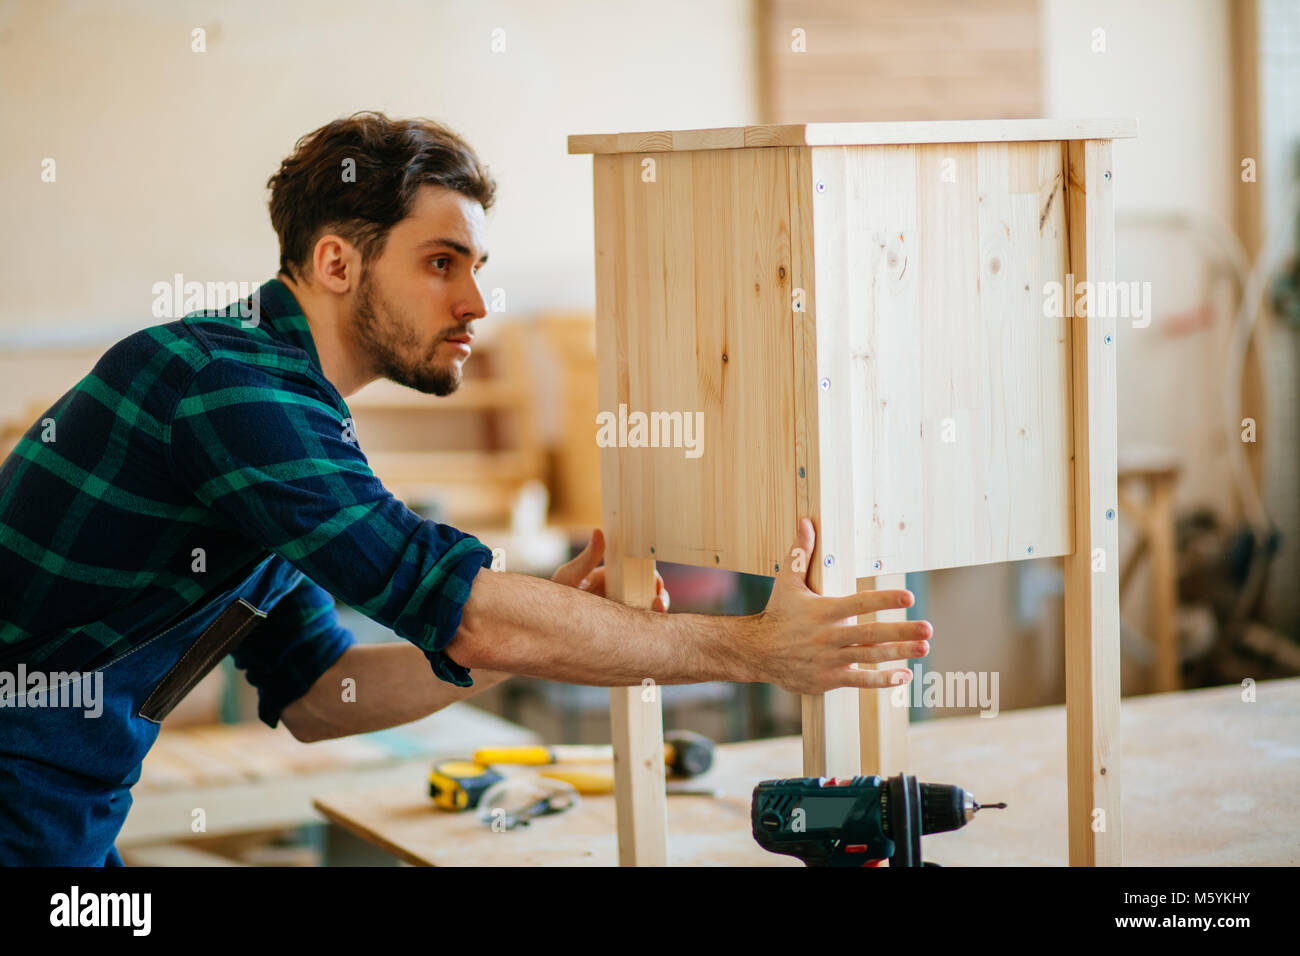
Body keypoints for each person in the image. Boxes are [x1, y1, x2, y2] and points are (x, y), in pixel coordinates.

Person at [0, 111, 930, 865]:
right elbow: (464, 611)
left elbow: (323, 696)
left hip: (62, 804)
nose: (477, 303)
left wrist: (529, 638)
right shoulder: (232, 389)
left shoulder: (277, 420)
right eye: (441, 262)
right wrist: (760, 650)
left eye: (477, 268)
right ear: (336, 263)